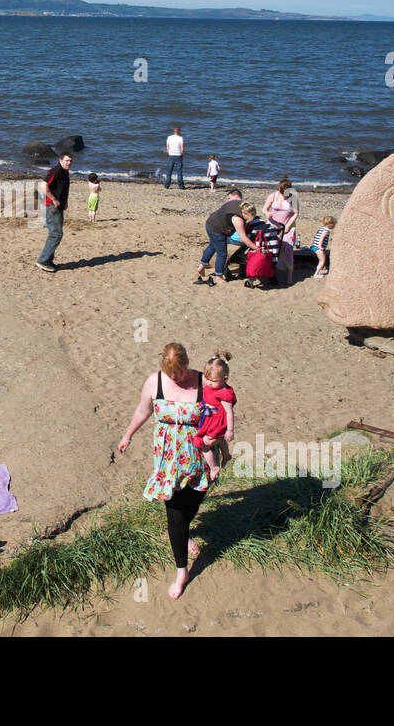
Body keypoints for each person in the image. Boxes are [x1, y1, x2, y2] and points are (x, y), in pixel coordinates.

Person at [118, 342, 212, 600]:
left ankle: (185, 531)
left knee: (192, 505)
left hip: (199, 460)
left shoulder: (204, 382)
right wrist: (128, 435)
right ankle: (182, 571)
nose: (176, 379)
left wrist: (221, 447)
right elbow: (143, 410)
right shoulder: (154, 382)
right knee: (175, 515)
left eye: (180, 373)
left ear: (187, 364)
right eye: (171, 374)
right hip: (168, 464)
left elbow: (220, 414)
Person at [195, 188, 259, 285]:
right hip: (217, 228)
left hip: (210, 222)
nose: (248, 220)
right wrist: (256, 248)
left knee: (212, 246)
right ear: (244, 213)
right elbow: (244, 238)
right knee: (222, 253)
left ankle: (202, 266)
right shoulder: (238, 219)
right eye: (248, 218)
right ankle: (219, 277)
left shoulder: (240, 203)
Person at [191, 353, 236, 483]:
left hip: (216, 423)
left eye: (213, 381)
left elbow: (229, 413)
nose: (209, 383)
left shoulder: (224, 394)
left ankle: (214, 467)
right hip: (208, 419)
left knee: (204, 444)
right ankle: (226, 455)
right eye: (207, 379)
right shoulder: (209, 385)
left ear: (225, 378)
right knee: (220, 441)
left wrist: (230, 430)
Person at [36, 153, 73, 273]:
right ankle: (43, 260)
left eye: (70, 161)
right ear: (60, 160)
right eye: (66, 160)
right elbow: (43, 185)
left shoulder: (65, 172)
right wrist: (54, 199)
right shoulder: (56, 170)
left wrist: (65, 201)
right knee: (56, 234)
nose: (69, 163)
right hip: (52, 206)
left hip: (58, 206)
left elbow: (63, 188)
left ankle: (48, 260)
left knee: (54, 233)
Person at [263, 177, 299, 285]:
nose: (285, 196)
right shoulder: (273, 195)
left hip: (287, 227)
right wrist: (267, 213)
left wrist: (288, 226)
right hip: (272, 225)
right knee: (271, 248)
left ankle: (289, 277)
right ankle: (271, 271)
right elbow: (264, 208)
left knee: (288, 250)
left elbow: (296, 213)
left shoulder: (293, 198)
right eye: (283, 194)